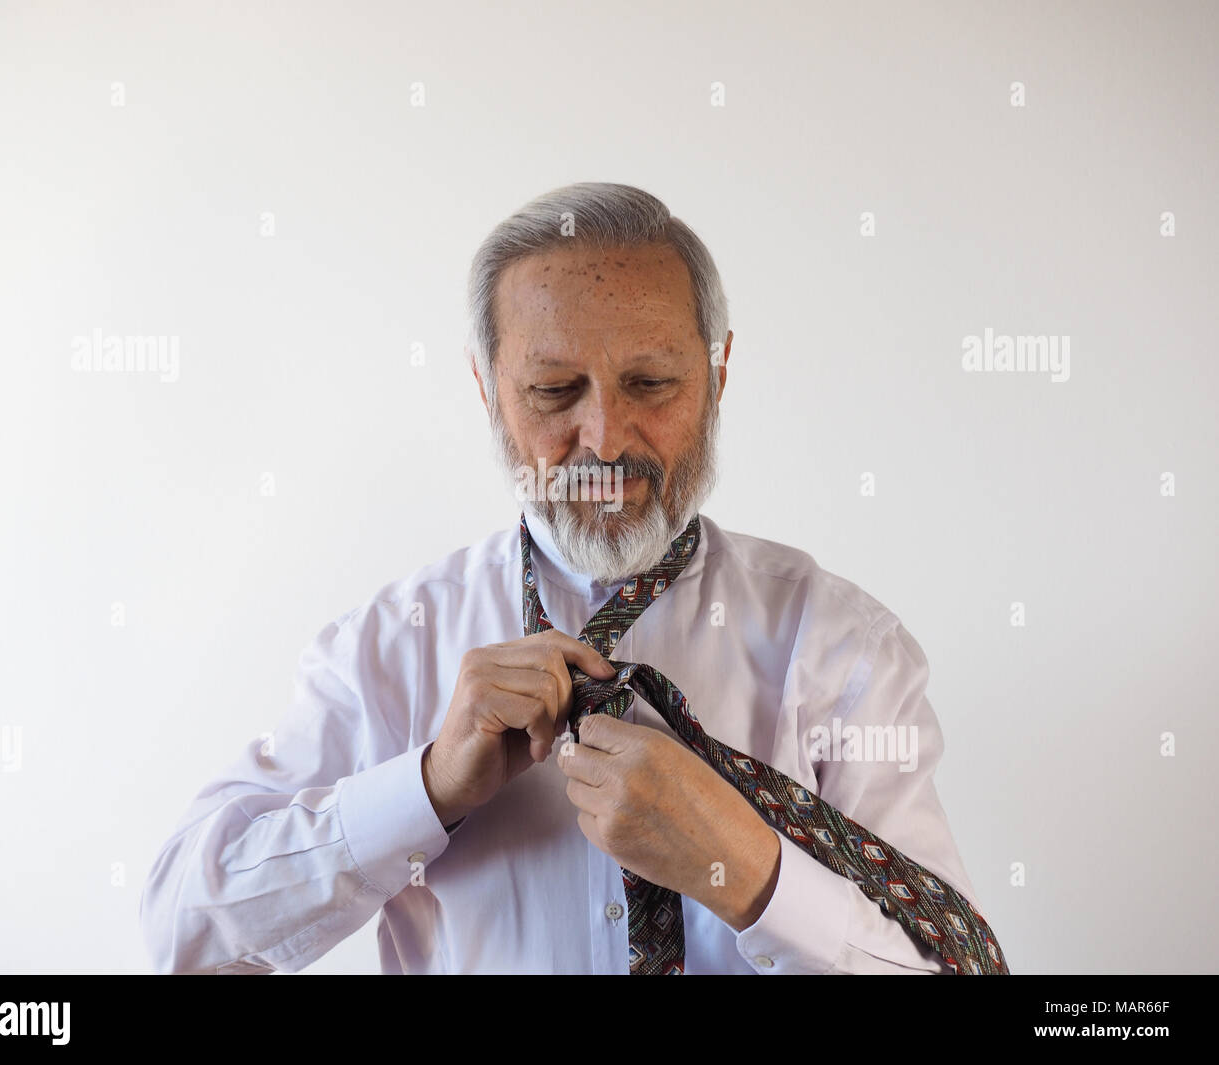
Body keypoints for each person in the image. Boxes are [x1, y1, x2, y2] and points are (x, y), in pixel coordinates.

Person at [139, 182, 991, 974]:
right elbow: (185, 930)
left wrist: (749, 872)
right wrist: (424, 788)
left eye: (651, 383)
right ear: (487, 389)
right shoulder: (392, 645)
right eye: (553, 390)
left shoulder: (842, 648)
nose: (605, 437)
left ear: (719, 373)